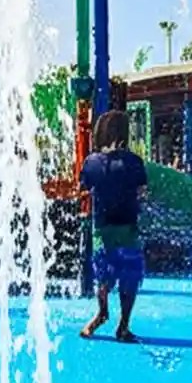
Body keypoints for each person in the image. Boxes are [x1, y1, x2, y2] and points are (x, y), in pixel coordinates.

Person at [79, 110, 148, 342]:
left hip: (103, 226)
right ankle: (124, 325)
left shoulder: (92, 162)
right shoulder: (135, 162)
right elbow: (142, 192)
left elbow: (84, 188)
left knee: (103, 275)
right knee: (130, 274)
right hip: (128, 225)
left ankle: (101, 312)